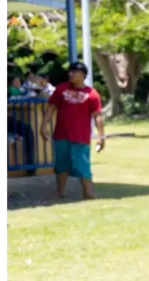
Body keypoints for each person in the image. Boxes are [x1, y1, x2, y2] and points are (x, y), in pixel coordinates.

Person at [43, 61, 105, 200]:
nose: (70, 74)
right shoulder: (61, 89)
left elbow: (98, 116)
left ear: (82, 75)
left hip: (80, 136)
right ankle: (60, 191)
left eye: (74, 72)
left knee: (82, 164)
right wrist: (44, 125)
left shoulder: (92, 94)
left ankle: (88, 193)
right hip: (61, 134)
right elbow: (51, 108)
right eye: (69, 71)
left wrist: (101, 137)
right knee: (61, 164)